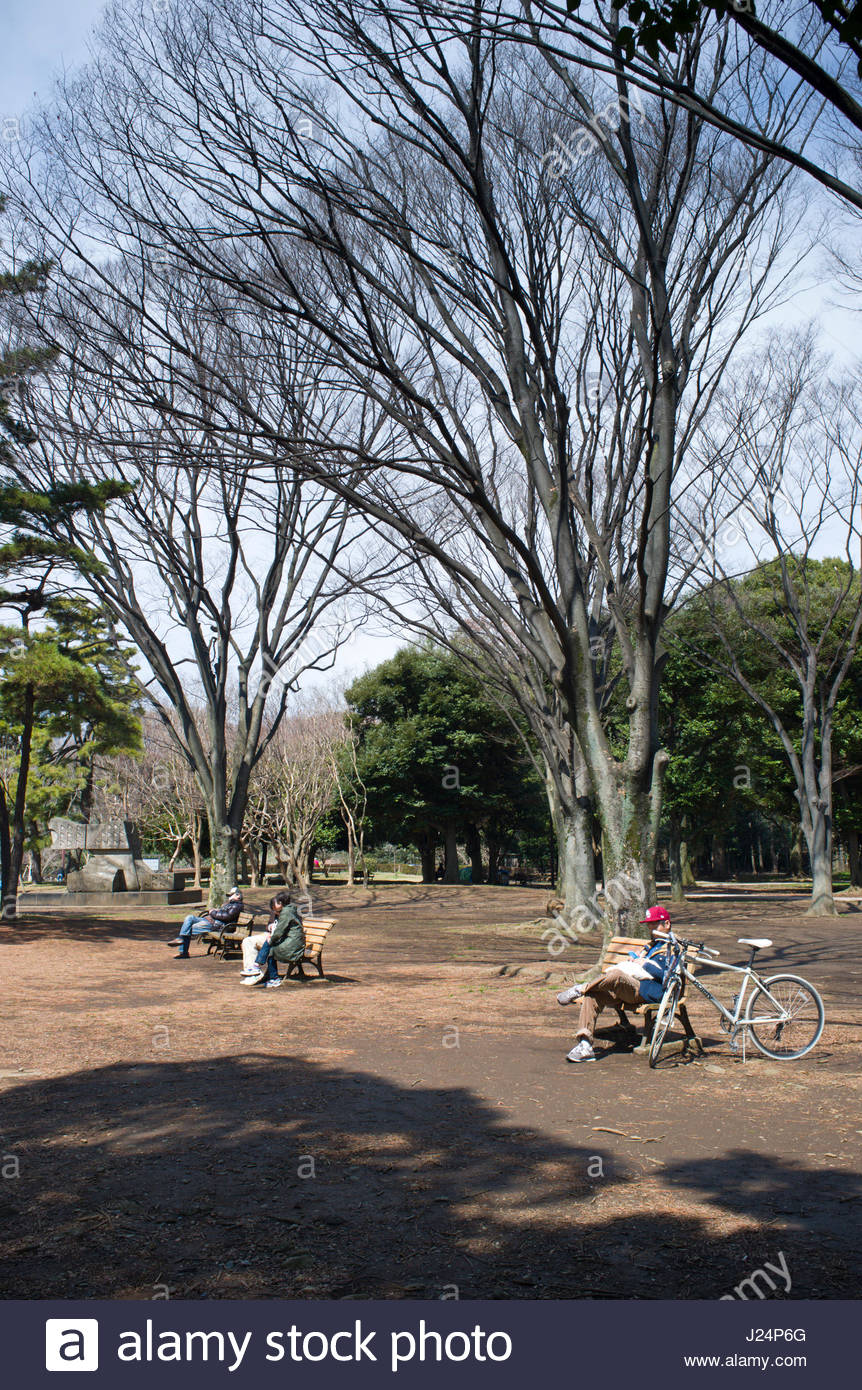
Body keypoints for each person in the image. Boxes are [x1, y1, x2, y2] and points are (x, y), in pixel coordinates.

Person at [557, 905, 672, 1063]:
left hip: (646, 991)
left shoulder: (674, 947)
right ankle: (585, 1045)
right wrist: (635, 960)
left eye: (655, 924)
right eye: (649, 924)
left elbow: (668, 976)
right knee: (593, 994)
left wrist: (643, 963)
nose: (652, 928)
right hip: (628, 988)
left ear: (667, 924)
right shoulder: (652, 945)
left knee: (616, 975)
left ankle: (580, 989)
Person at [242, 891, 305, 988]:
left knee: (270, 947)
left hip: (292, 945)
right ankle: (268, 975)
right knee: (267, 945)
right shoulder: (288, 910)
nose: (274, 909)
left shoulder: (286, 912)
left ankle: (260, 969)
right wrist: (270, 930)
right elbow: (277, 929)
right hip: (289, 941)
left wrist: (270, 940)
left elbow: (279, 931)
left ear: (280, 903)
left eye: (275, 903)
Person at [168, 887, 243, 959]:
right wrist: (217, 910)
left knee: (187, 928)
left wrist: (213, 912)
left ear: (238, 895)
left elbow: (227, 917)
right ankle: (181, 940)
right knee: (189, 918)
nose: (229, 897)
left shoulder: (237, 906)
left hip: (216, 924)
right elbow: (224, 913)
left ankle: (183, 952)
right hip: (210, 920)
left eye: (231, 895)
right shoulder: (231, 904)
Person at [239, 892, 288, 978]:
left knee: (268, 943)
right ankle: (251, 970)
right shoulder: (274, 912)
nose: (273, 909)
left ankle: (255, 970)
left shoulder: (289, 914)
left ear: (282, 903)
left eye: (275, 905)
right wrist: (270, 926)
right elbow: (268, 925)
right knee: (247, 941)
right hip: (269, 935)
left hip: (278, 939)